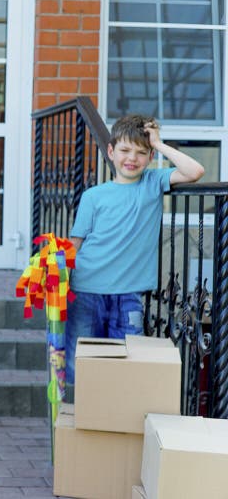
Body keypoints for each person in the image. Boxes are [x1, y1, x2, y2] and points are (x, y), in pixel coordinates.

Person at [65, 115, 205, 390]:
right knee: (78, 362)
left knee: (127, 363)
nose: (132, 158)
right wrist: (58, 279)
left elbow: (195, 170)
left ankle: (115, 418)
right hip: (85, 290)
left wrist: (159, 144)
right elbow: (75, 244)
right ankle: (77, 422)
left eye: (142, 153)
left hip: (128, 295)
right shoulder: (93, 196)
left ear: (150, 156)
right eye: (125, 150)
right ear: (111, 152)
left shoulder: (153, 182)